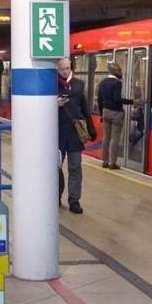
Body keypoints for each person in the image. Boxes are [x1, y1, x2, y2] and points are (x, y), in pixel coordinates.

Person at [57, 61, 94, 214]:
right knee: (55, 168)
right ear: (58, 69)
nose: (65, 71)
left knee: (75, 167)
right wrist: (55, 104)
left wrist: (90, 128)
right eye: (62, 69)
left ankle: (74, 200)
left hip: (74, 134)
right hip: (57, 133)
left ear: (71, 68)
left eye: (67, 68)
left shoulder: (79, 84)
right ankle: (55, 196)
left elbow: (84, 107)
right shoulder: (52, 85)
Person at [96, 61, 132, 169]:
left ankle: (104, 161)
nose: (121, 72)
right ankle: (113, 163)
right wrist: (132, 101)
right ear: (116, 71)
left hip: (105, 112)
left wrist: (102, 113)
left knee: (106, 137)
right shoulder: (117, 83)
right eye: (120, 70)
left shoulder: (102, 82)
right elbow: (117, 99)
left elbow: (99, 99)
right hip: (116, 113)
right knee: (114, 139)